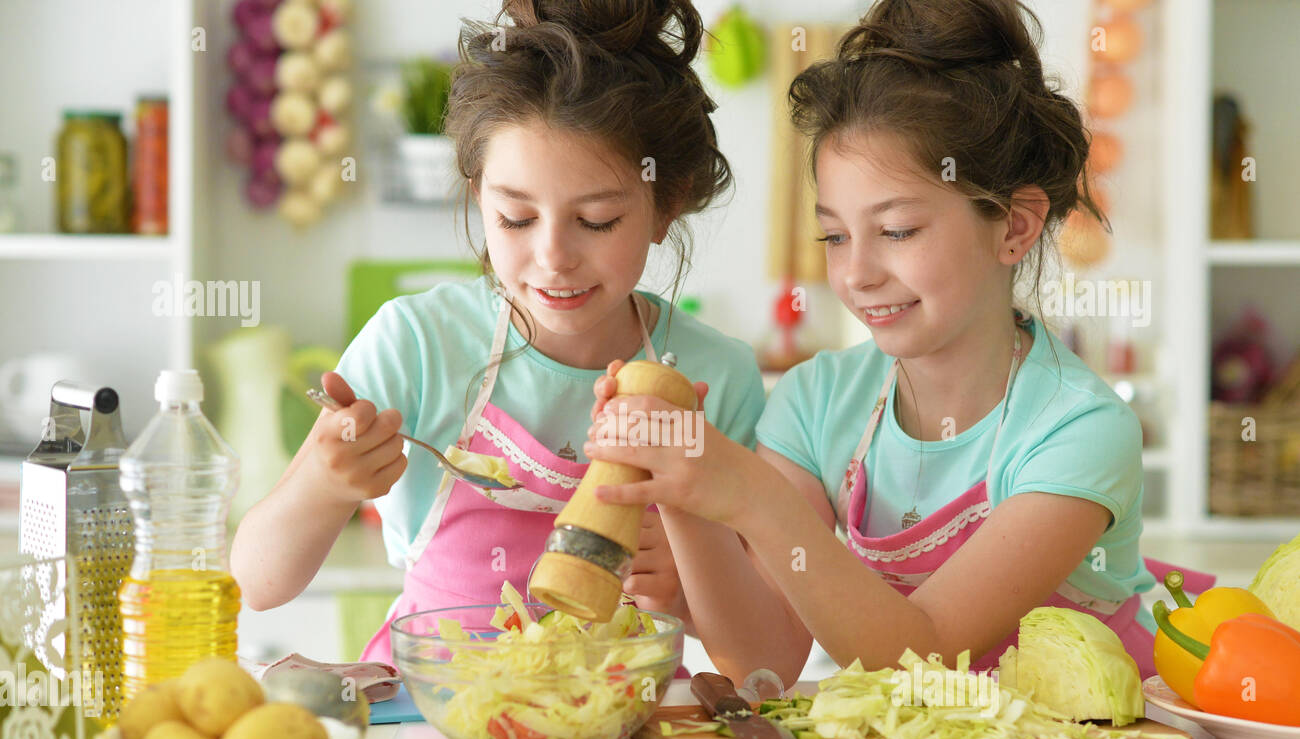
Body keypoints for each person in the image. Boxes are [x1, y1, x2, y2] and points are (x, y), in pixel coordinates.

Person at [584, 0, 1212, 687]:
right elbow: (766, 661)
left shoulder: (1078, 429)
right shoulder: (818, 403)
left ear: (1015, 227)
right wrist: (687, 493)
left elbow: (927, 650)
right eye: (835, 235)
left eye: (899, 231)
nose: (856, 272)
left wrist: (750, 495)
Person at [231, 0, 766, 666]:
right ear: (479, 193)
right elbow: (255, 581)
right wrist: (324, 480)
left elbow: (762, 664)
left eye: (596, 221)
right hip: (436, 725)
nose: (553, 256)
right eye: (515, 217)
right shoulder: (418, 346)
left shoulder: (716, 377)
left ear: (667, 204)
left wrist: (691, 583)